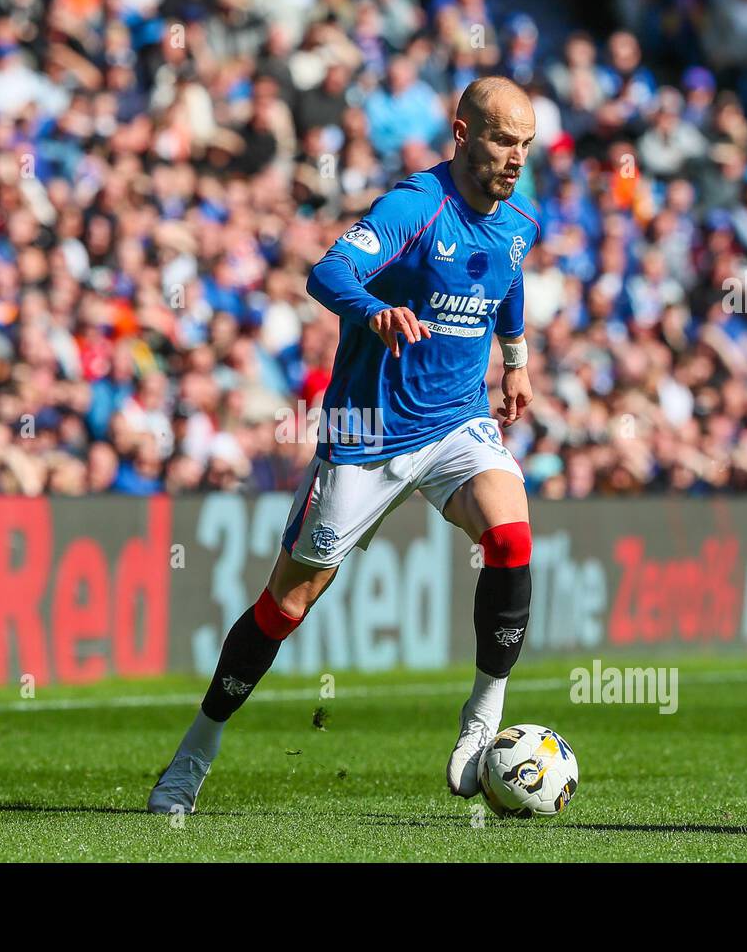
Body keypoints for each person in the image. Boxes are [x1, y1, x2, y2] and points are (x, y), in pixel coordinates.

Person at [148, 76, 541, 813]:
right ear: (462, 135)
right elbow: (327, 272)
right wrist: (377, 312)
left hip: (457, 421)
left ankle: (483, 713)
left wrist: (515, 360)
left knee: (513, 537)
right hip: (368, 434)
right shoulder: (415, 207)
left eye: (524, 143)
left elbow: (506, 276)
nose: (514, 156)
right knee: (286, 606)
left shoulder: (520, 221)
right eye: (500, 139)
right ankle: (196, 750)